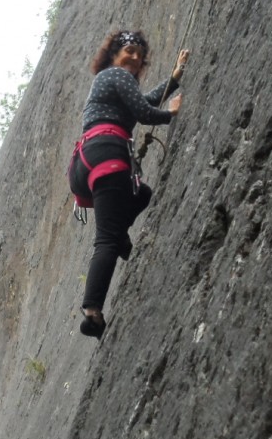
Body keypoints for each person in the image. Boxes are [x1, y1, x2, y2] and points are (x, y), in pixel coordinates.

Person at [67, 29, 186, 339]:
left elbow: (143, 101)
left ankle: (121, 239)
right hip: (105, 152)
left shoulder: (112, 83)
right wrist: (171, 114)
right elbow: (147, 113)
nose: (134, 56)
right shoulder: (117, 75)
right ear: (113, 55)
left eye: (138, 52)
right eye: (128, 50)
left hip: (88, 160)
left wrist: (174, 78)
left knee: (142, 194)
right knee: (106, 239)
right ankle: (92, 313)